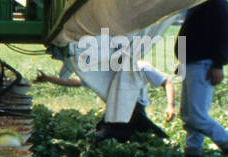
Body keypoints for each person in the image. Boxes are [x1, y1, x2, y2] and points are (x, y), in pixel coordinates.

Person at [178, 0, 228, 157]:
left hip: (203, 64)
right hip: (191, 63)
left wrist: (219, 64)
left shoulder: (216, 2)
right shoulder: (198, 2)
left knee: (197, 115)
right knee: (188, 114)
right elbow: (190, 34)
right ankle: (192, 154)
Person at [36, 58, 176, 142]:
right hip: (114, 112)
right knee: (101, 139)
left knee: (153, 140)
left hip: (136, 114)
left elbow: (166, 82)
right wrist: (48, 79)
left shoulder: (141, 67)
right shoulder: (106, 70)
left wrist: (170, 105)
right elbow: (76, 82)